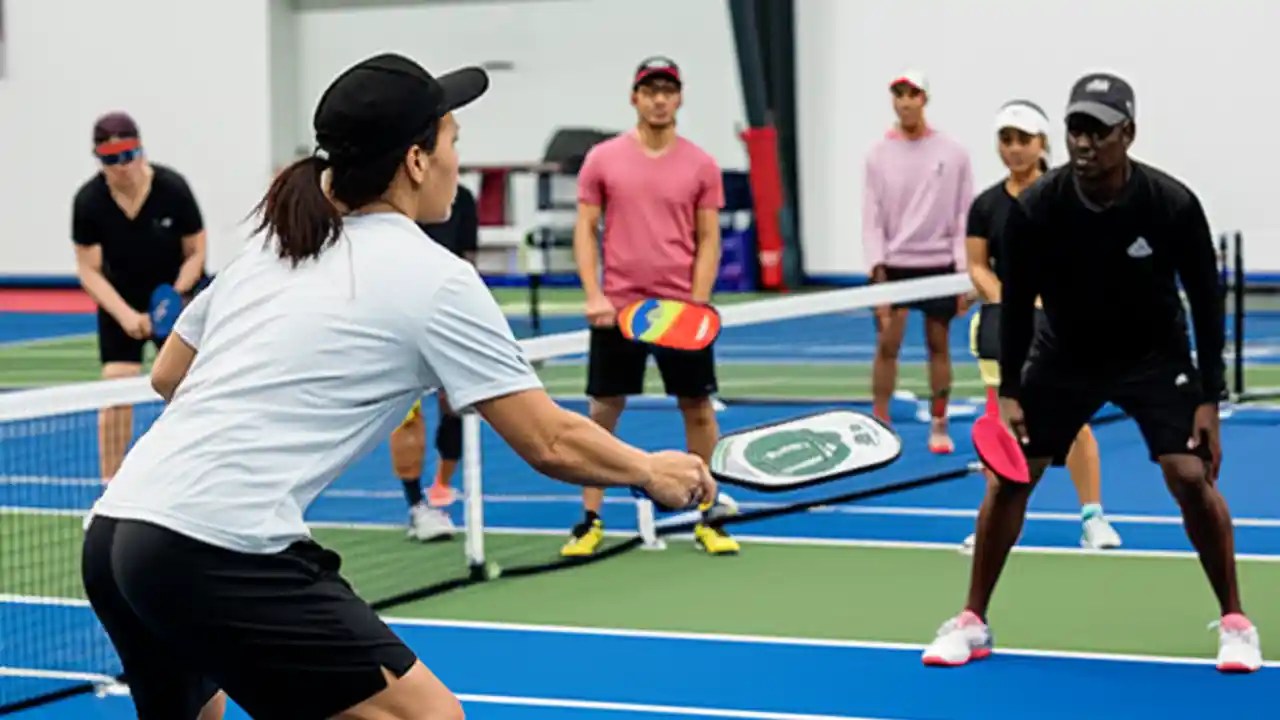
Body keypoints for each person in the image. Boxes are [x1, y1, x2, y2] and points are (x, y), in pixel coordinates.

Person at [79, 52, 716, 720]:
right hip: (217, 548)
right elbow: (548, 439)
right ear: (416, 161)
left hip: (121, 531)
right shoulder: (434, 277)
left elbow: (167, 374)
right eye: (452, 144)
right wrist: (649, 470)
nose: (457, 163)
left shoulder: (273, 247)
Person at [923, 72, 1262, 672]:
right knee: (1012, 477)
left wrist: (1210, 398)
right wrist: (1009, 393)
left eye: (1098, 131)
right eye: (1076, 129)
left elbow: (1206, 302)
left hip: (1154, 355)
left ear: (1127, 134)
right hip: (1064, 354)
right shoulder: (1037, 209)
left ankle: (1236, 620)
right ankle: (973, 619)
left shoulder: (1170, 204)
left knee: (1189, 475)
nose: (1084, 143)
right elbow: (1017, 299)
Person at [562, 55, 739, 558]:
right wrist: (594, 295)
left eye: (668, 89)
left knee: (698, 410)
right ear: (634, 97)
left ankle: (707, 514)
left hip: (680, 312)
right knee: (601, 414)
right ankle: (590, 519)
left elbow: (709, 239)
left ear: (679, 98)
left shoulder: (702, 164)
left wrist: (698, 302)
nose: (659, 98)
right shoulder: (603, 159)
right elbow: (585, 229)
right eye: (650, 90)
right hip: (617, 311)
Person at [962, 99, 1122, 552]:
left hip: (1061, 324)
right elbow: (977, 265)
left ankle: (1093, 518)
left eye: (1023, 141)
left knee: (1074, 422)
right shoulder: (986, 205)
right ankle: (995, 524)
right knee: (1000, 425)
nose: (1014, 149)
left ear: (1042, 144)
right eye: (1006, 140)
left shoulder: (1067, 194)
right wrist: (1011, 302)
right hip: (1003, 328)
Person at [71, 112, 208, 483]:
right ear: (100, 160)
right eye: (113, 160)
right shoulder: (89, 202)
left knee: (191, 388)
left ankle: (198, 473)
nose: (124, 166)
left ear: (141, 150)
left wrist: (174, 298)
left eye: (130, 155)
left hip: (176, 298)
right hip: (121, 301)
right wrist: (125, 315)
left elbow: (196, 251)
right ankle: (109, 488)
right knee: (116, 390)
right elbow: (88, 269)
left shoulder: (172, 189)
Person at [862, 70, 974, 454]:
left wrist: (963, 272)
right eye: (899, 94)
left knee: (938, 344)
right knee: (887, 345)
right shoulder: (877, 155)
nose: (906, 101)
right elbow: (872, 215)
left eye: (913, 94)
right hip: (895, 264)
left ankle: (939, 421)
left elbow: (964, 215)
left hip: (939, 263)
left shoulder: (953, 153)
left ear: (924, 99)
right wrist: (877, 269)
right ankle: (880, 422)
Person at [391, 183, 480, 542]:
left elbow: (467, 261)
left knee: (456, 407)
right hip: (397, 317)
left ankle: (442, 486)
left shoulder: (461, 199)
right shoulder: (386, 203)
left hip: (448, 317)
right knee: (406, 415)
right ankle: (416, 506)